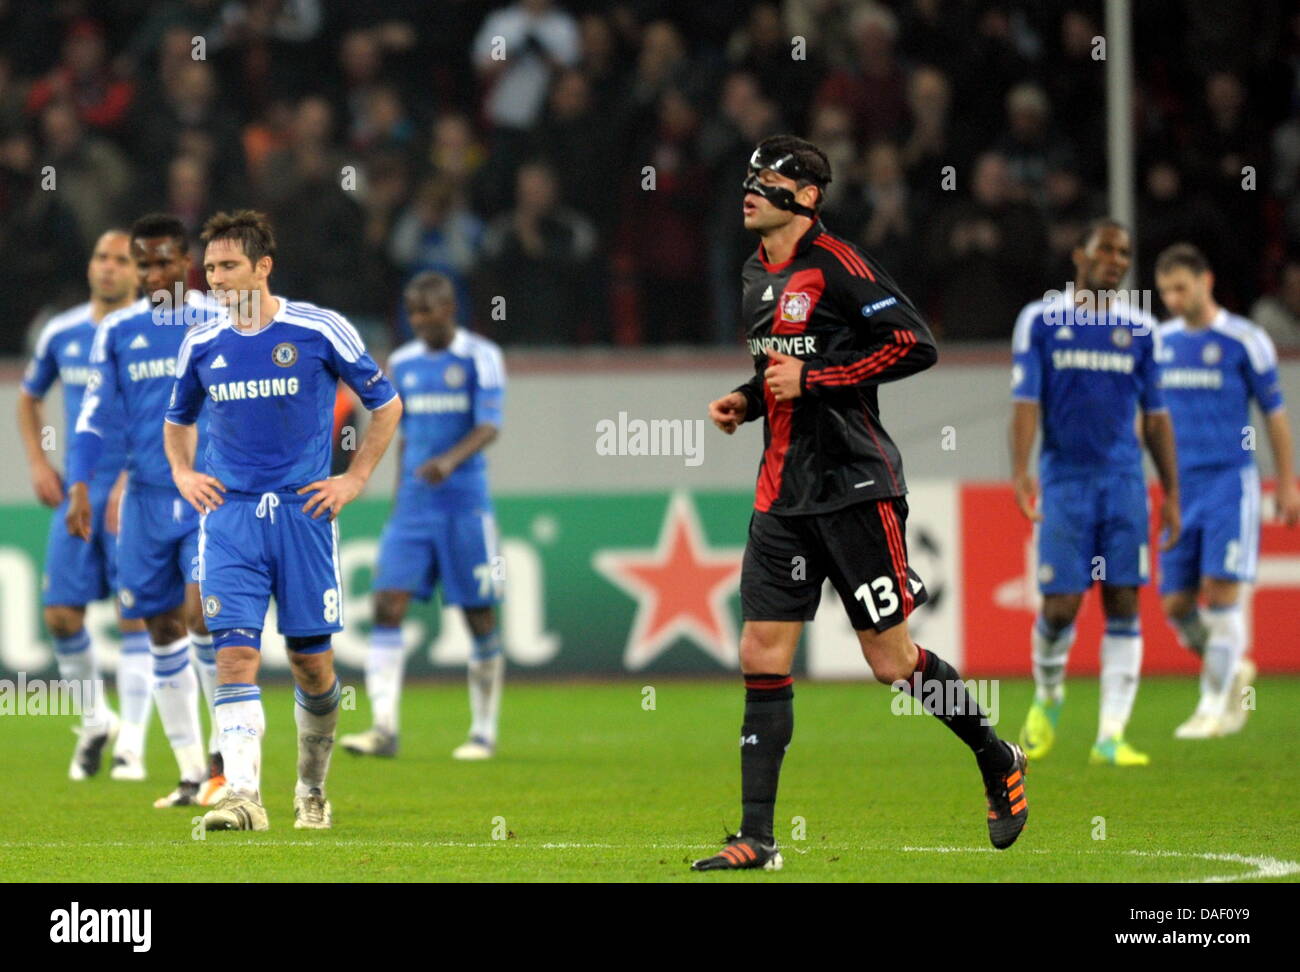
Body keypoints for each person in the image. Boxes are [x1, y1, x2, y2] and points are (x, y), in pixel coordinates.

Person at [694, 135, 1029, 873]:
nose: (750, 188)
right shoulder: (754, 272)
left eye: (768, 178)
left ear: (807, 196)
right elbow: (778, 369)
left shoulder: (841, 265)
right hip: (781, 493)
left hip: (854, 487)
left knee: (891, 661)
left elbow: (914, 344)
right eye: (749, 175)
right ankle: (758, 837)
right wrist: (749, 399)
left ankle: (994, 754)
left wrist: (812, 380)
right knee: (760, 652)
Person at [164, 210, 402, 832]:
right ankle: (243, 796)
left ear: (263, 267)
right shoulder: (201, 343)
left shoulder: (320, 329)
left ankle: (311, 788)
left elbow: (386, 404)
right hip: (230, 518)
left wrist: (353, 479)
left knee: (312, 667)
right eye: (209, 268)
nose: (216, 279)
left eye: (228, 266)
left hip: (303, 515)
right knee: (234, 656)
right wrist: (185, 474)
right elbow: (177, 419)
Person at [67, 213, 227, 806]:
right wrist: (80, 484)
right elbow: (93, 417)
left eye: (164, 262)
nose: (155, 274)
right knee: (161, 629)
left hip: (208, 496)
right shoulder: (117, 331)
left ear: (186, 262)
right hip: (144, 501)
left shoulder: (219, 319)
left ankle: (224, 761)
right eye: (145, 264)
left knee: (203, 616)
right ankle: (190, 772)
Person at [1011, 219, 1181, 767]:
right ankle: (1049, 695)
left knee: (1124, 600)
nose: (1116, 259)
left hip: (1124, 482)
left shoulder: (1141, 328)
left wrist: (1172, 493)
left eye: (1124, 252)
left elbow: (1156, 417)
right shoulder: (1041, 320)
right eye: (1106, 249)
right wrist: (1021, 471)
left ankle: (1111, 735)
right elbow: (1026, 402)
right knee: (1061, 607)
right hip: (1064, 480)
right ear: (1079, 256)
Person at [341, 271, 506, 761]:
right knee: (386, 605)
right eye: (412, 313)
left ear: (449, 308)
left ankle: (483, 731)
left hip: (464, 504)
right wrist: (398, 500)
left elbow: (489, 426)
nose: (419, 321)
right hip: (413, 507)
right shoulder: (403, 362)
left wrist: (449, 462)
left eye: (426, 311)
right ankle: (383, 729)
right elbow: (402, 433)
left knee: (477, 614)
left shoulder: (481, 356)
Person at [18, 228, 151, 780]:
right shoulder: (62, 331)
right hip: (79, 491)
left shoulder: (153, 332)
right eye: (101, 257)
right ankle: (96, 721)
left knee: (135, 615)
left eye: (121, 260)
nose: (108, 267)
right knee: (60, 613)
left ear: (139, 272)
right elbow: (28, 397)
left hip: (137, 491)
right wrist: (38, 462)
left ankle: (132, 747)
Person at [1153, 243, 1299, 736]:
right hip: (1178, 489)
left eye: (1181, 288)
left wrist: (1286, 483)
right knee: (1176, 604)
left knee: (1220, 593)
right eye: (1165, 291)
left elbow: (1274, 415)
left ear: (1206, 281)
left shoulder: (1245, 339)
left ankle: (1212, 706)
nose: (1173, 299)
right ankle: (1232, 668)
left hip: (1228, 483)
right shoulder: (1160, 342)